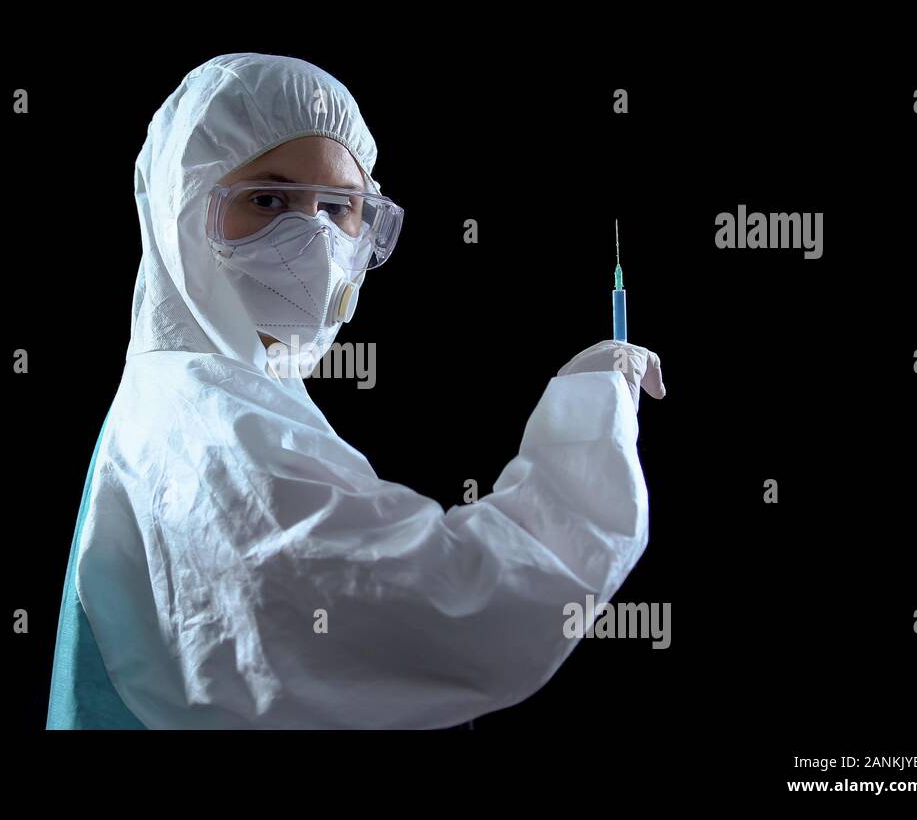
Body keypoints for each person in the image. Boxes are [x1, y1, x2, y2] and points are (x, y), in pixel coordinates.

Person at [47, 53, 667, 730]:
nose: (313, 236)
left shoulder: (195, 391)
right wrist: (593, 415)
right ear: (183, 211)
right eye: (268, 199)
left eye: (338, 206)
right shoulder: (216, 433)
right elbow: (463, 609)